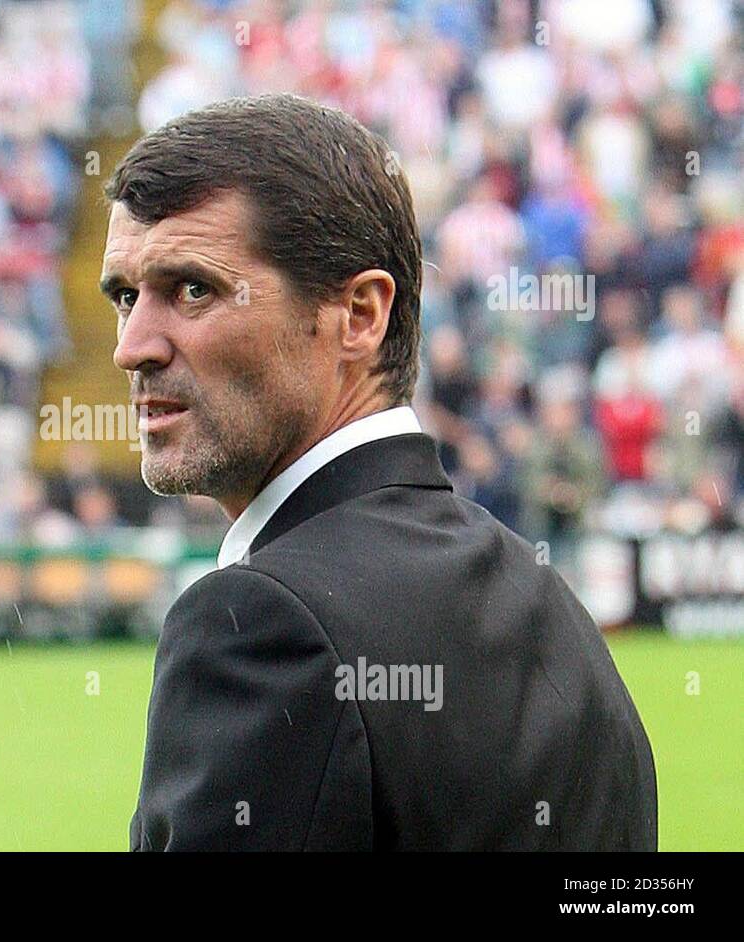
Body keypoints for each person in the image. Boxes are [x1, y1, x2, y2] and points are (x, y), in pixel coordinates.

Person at [101, 95, 656, 851]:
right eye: (125, 297)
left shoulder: (261, 623)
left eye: (192, 289)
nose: (131, 347)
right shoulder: (553, 609)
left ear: (360, 315)